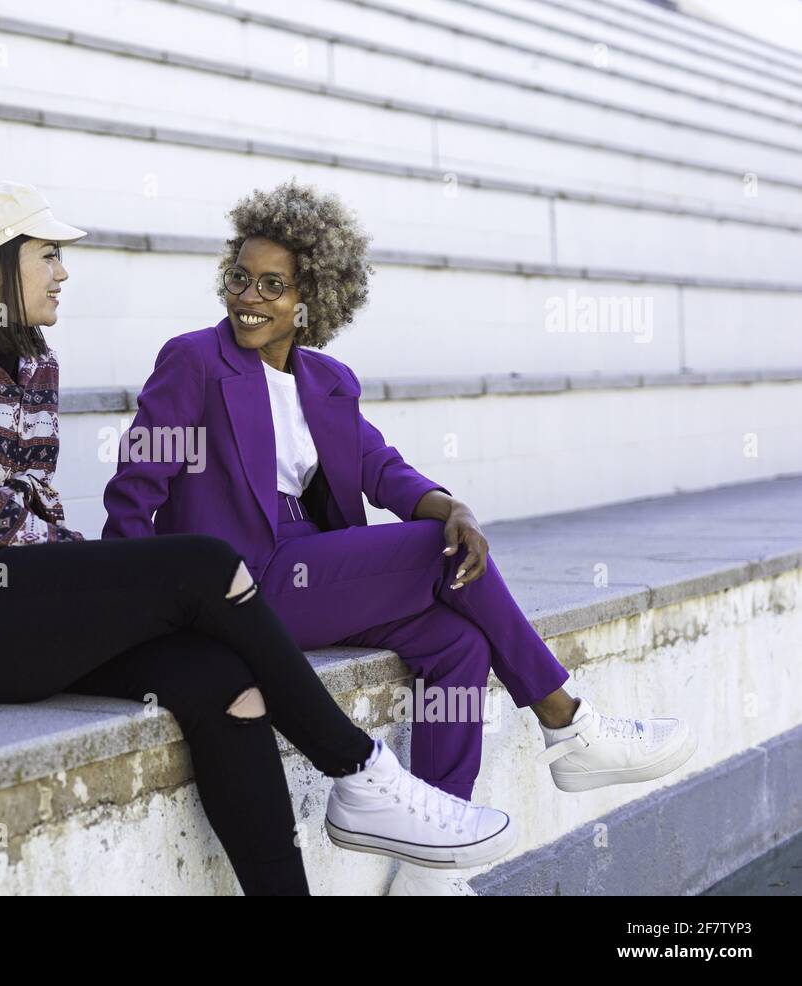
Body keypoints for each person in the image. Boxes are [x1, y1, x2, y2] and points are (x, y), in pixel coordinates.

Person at [0, 180, 522, 896]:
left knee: (223, 681)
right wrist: (108, 575)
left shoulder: (33, 361)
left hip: (15, 610)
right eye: (48, 256)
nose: (63, 272)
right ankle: (362, 774)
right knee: (205, 564)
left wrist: (97, 577)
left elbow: (35, 501)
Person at [101, 178, 698, 895]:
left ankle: (426, 869)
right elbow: (139, 482)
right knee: (429, 552)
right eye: (239, 277)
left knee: (460, 642)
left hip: (306, 565)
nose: (248, 298)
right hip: (238, 582)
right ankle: (568, 722)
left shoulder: (329, 381)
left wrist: (452, 506)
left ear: (310, 298)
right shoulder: (196, 359)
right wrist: (136, 611)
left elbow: (381, 468)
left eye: (272, 284)